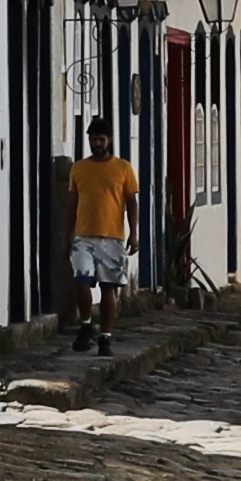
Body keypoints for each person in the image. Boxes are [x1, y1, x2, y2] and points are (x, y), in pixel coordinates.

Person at [65, 118, 141, 356]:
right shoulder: (78, 168)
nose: (97, 143)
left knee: (109, 288)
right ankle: (86, 324)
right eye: (93, 139)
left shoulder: (123, 168)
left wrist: (134, 233)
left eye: (101, 139)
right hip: (83, 236)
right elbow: (71, 203)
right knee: (81, 281)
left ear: (109, 140)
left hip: (113, 237)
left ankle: (106, 336)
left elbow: (131, 202)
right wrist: (66, 236)